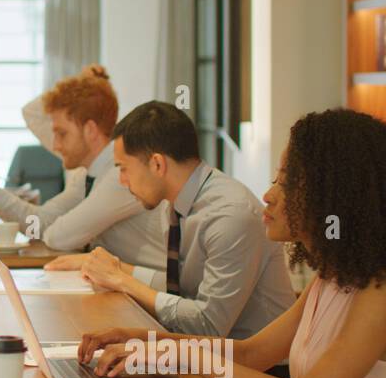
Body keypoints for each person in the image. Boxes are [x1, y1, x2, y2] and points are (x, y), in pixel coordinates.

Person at [80, 108, 386, 378]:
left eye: (286, 182)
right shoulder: (333, 278)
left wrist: (189, 357)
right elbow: (253, 353)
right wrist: (147, 342)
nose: (269, 195)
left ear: (337, 195)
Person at [51, 100, 293, 344]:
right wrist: (117, 269)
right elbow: (183, 290)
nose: (123, 181)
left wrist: (123, 281)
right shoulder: (177, 203)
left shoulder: (230, 215)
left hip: (257, 369)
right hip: (210, 357)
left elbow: (206, 326)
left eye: (123, 169)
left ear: (157, 164)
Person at [0, 66, 165, 268]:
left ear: (90, 130)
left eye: (61, 133)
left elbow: (59, 237)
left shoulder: (120, 177)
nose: (55, 145)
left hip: (152, 297)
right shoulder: (86, 177)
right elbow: (43, 223)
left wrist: (81, 83)